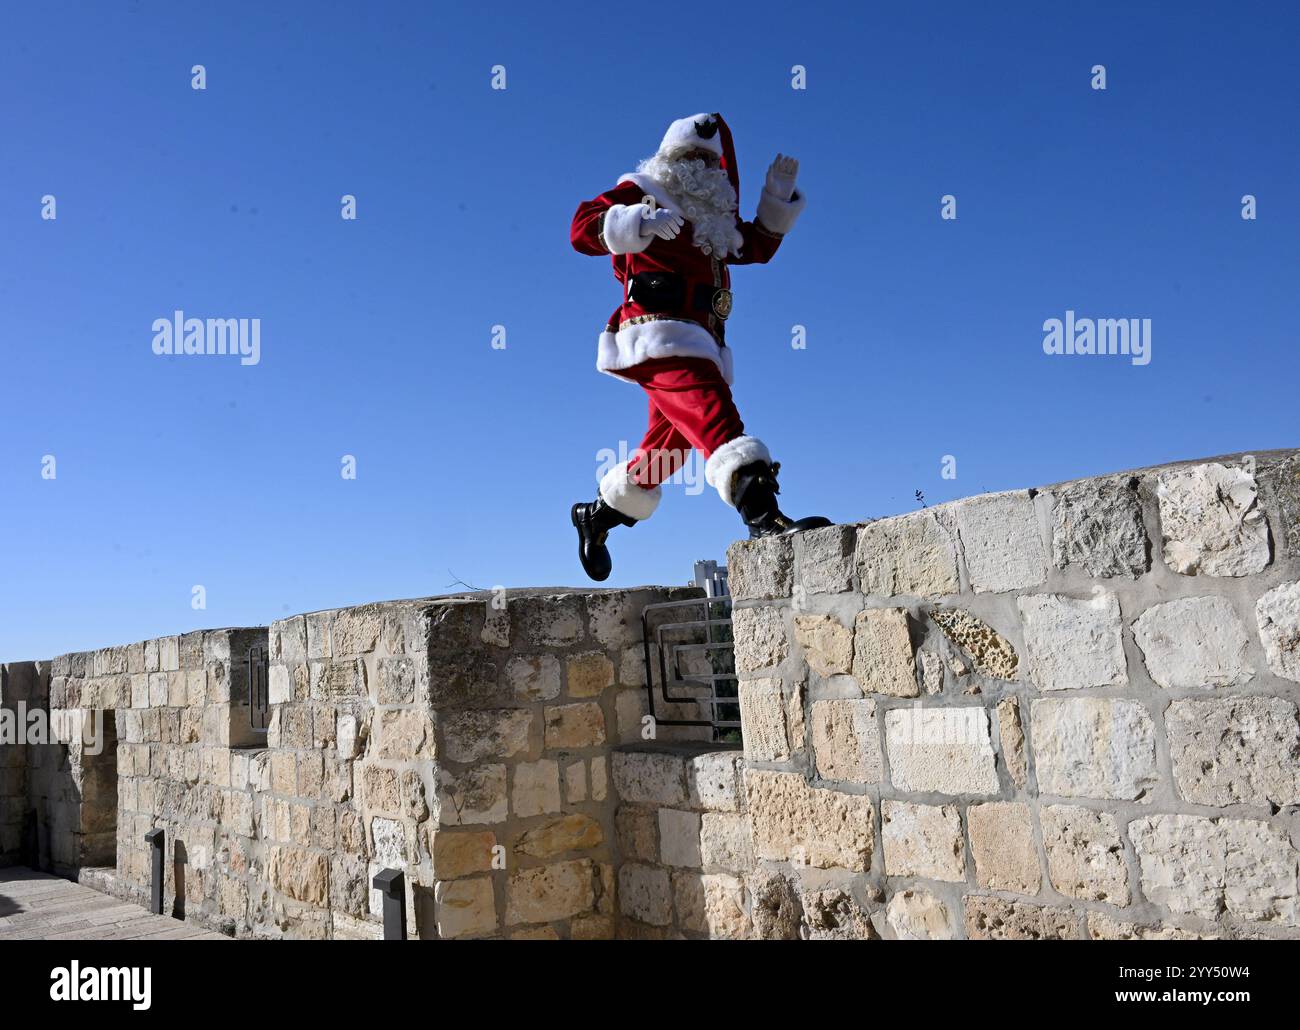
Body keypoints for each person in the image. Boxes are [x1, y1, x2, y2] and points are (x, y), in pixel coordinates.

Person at [569, 112, 830, 581]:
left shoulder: (711, 217)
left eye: (708, 160)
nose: (700, 166)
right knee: (712, 410)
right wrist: (641, 219)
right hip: (655, 331)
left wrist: (776, 196)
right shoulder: (641, 189)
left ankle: (598, 516)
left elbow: (755, 248)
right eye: (689, 156)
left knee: (667, 450)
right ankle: (763, 517)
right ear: (668, 157)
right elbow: (582, 229)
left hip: (703, 335)